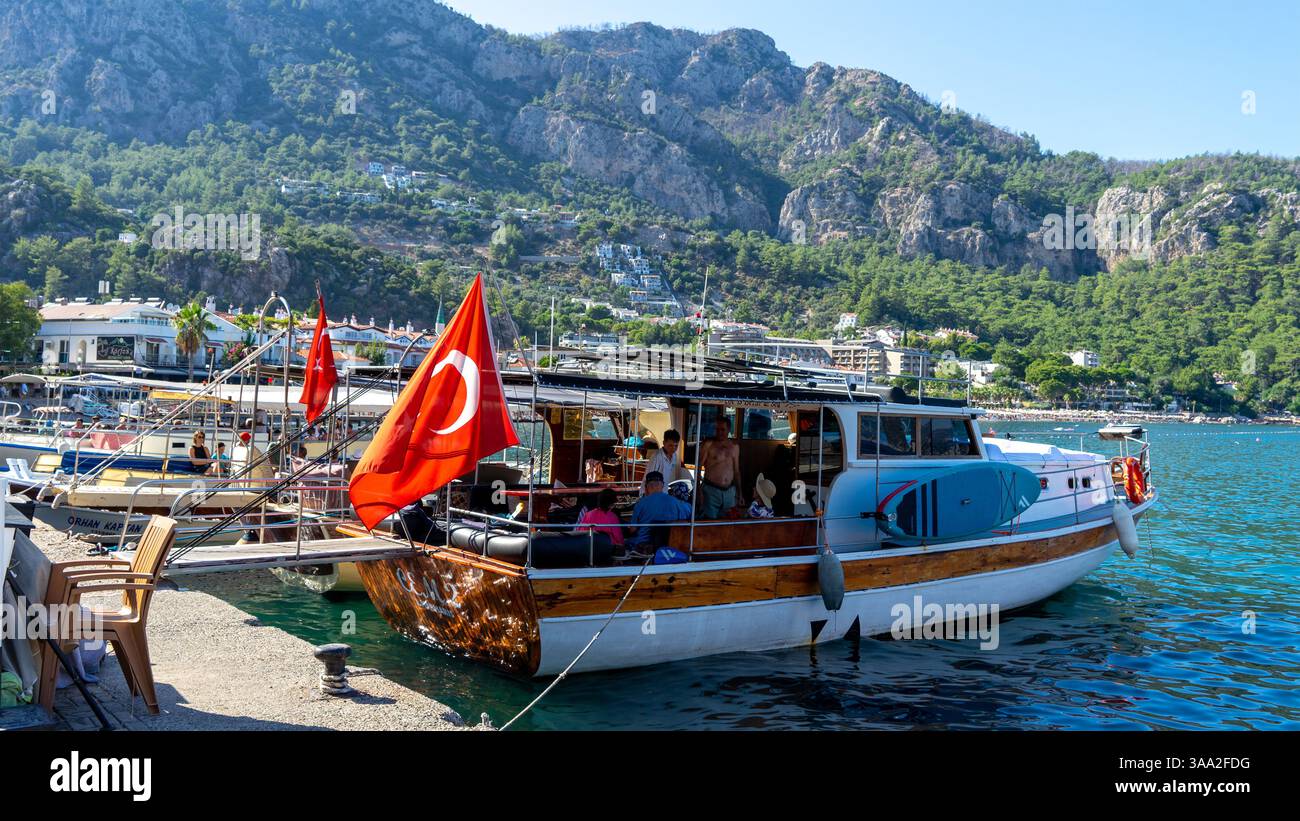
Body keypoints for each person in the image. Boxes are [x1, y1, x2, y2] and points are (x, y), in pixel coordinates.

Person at [626, 471, 692, 555]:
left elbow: (632, 530)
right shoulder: (677, 503)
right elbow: (689, 514)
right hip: (671, 546)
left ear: (647, 486)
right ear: (662, 485)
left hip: (643, 545)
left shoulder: (640, 504)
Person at [698, 415, 742, 518]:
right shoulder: (708, 445)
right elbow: (698, 467)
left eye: (722, 429)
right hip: (711, 491)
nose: (719, 432)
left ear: (728, 430)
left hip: (730, 492)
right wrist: (698, 492)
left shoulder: (735, 447)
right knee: (709, 524)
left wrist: (740, 493)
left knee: (728, 524)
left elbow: (736, 471)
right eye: (717, 429)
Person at [642, 428, 685, 493]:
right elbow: (648, 479)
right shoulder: (657, 457)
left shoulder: (674, 457)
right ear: (664, 443)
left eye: (676, 446)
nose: (673, 449)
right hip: (651, 493)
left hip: (663, 492)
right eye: (670, 445)